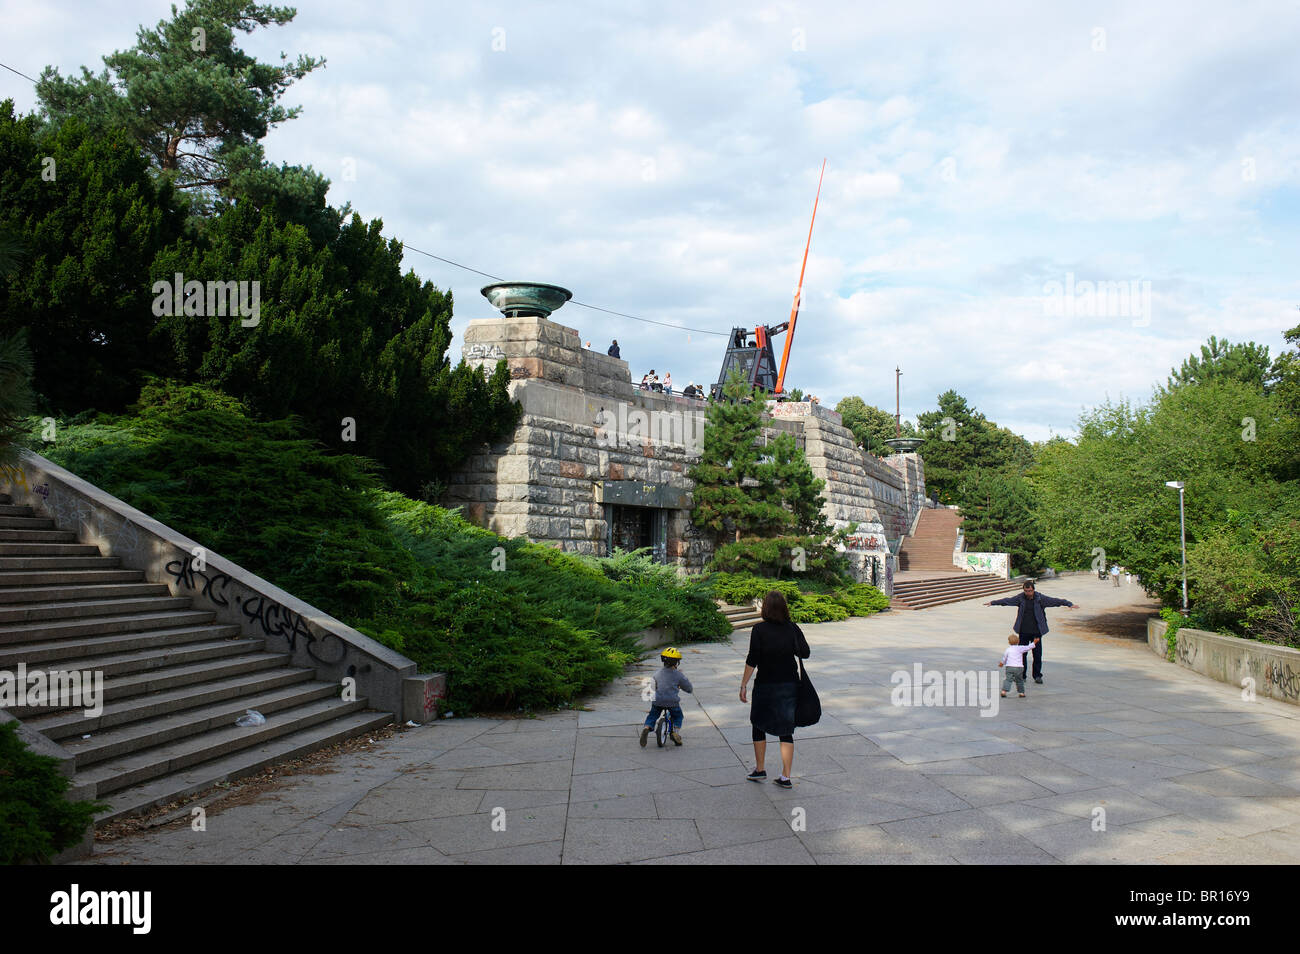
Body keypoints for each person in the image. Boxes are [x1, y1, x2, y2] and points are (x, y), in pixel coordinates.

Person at [739, 590, 810, 789]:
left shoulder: (759, 630)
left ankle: (760, 768)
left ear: (766, 608)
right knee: (786, 730)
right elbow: (805, 652)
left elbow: (752, 659)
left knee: (758, 724)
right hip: (789, 685)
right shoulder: (792, 628)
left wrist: (743, 684)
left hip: (765, 685)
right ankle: (786, 776)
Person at [984, 580, 1077, 684]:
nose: (1028, 593)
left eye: (1030, 591)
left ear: (1034, 590)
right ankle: (1022, 676)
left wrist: (1069, 604)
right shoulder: (1020, 598)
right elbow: (1007, 601)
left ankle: (1037, 675)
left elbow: (1055, 601)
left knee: (1037, 655)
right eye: (1026, 591)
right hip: (1023, 631)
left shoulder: (1040, 598)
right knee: (1022, 655)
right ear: (1023, 590)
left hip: (1036, 632)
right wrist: (993, 602)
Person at [640, 647, 692, 747]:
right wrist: (689, 690)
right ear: (677, 662)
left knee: (653, 715)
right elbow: (688, 687)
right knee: (678, 716)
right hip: (672, 702)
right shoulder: (679, 675)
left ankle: (647, 727)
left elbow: (651, 688)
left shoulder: (657, 674)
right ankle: (675, 732)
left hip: (658, 701)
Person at [999, 633, 1040, 698]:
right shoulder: (1020, 648)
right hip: (1019, 668)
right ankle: (1021, 693)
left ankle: (1004, 691)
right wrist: (1034, 642)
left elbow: (1005, 657)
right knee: (1019, 680)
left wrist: (1002, 663)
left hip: (1009, 667)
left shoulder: (1008, 649)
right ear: (1018, 641)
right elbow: (1028, 647)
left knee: (1008, 680)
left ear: (1009, 642)